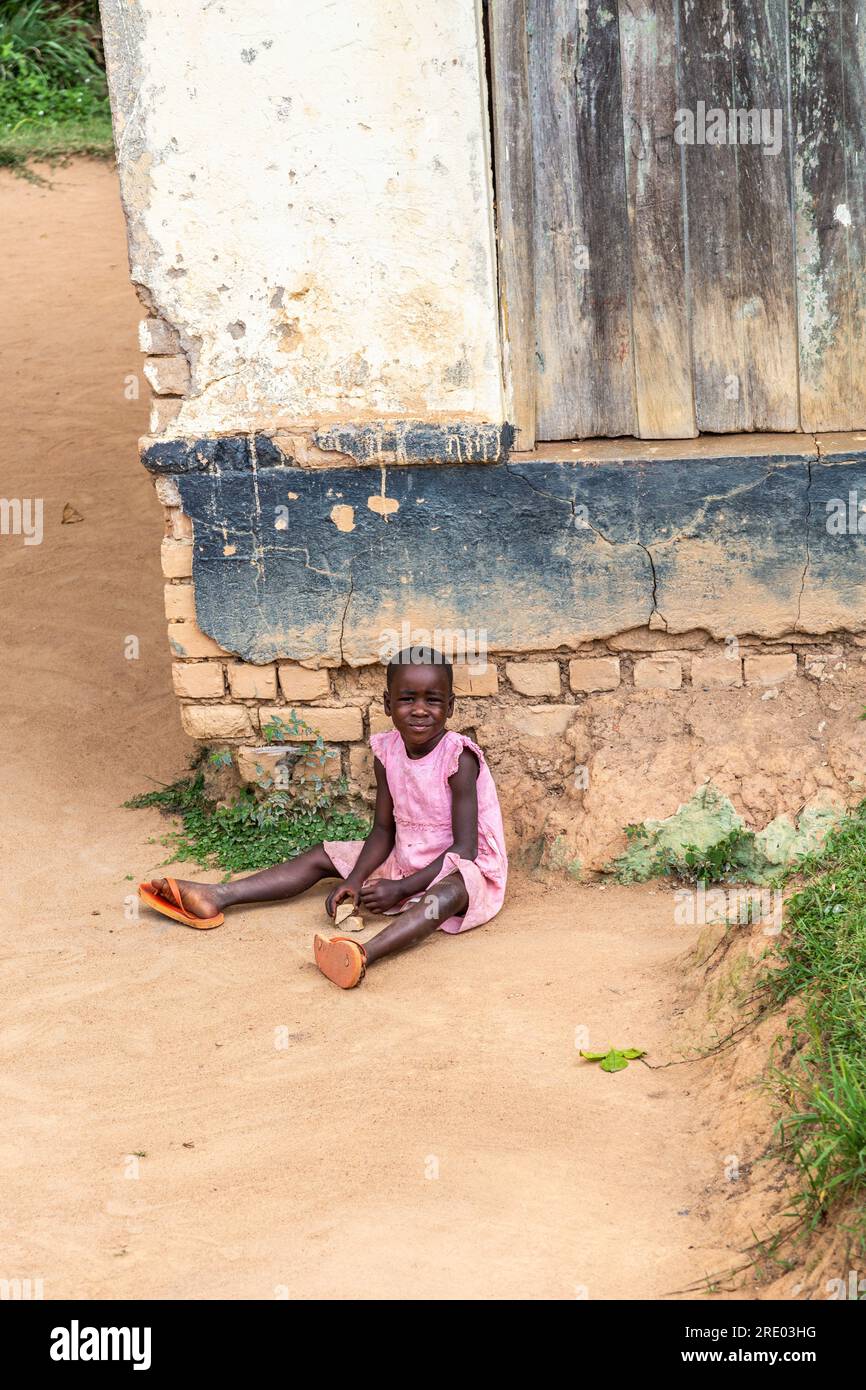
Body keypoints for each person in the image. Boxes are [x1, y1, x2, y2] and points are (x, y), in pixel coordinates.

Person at [140, 646, 508, 988]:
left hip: (460, 865)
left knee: (443, 897)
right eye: (407, 699)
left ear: (451, 706)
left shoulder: (458, 758)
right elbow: (382, 829)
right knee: (322, 854)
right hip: (408, 852)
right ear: (386, 703)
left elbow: (465, 848)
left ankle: (362, 955)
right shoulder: (388, 752)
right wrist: (355, 877)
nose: (420, 710)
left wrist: (404, 888)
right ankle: (217, 896)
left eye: (433, 700)